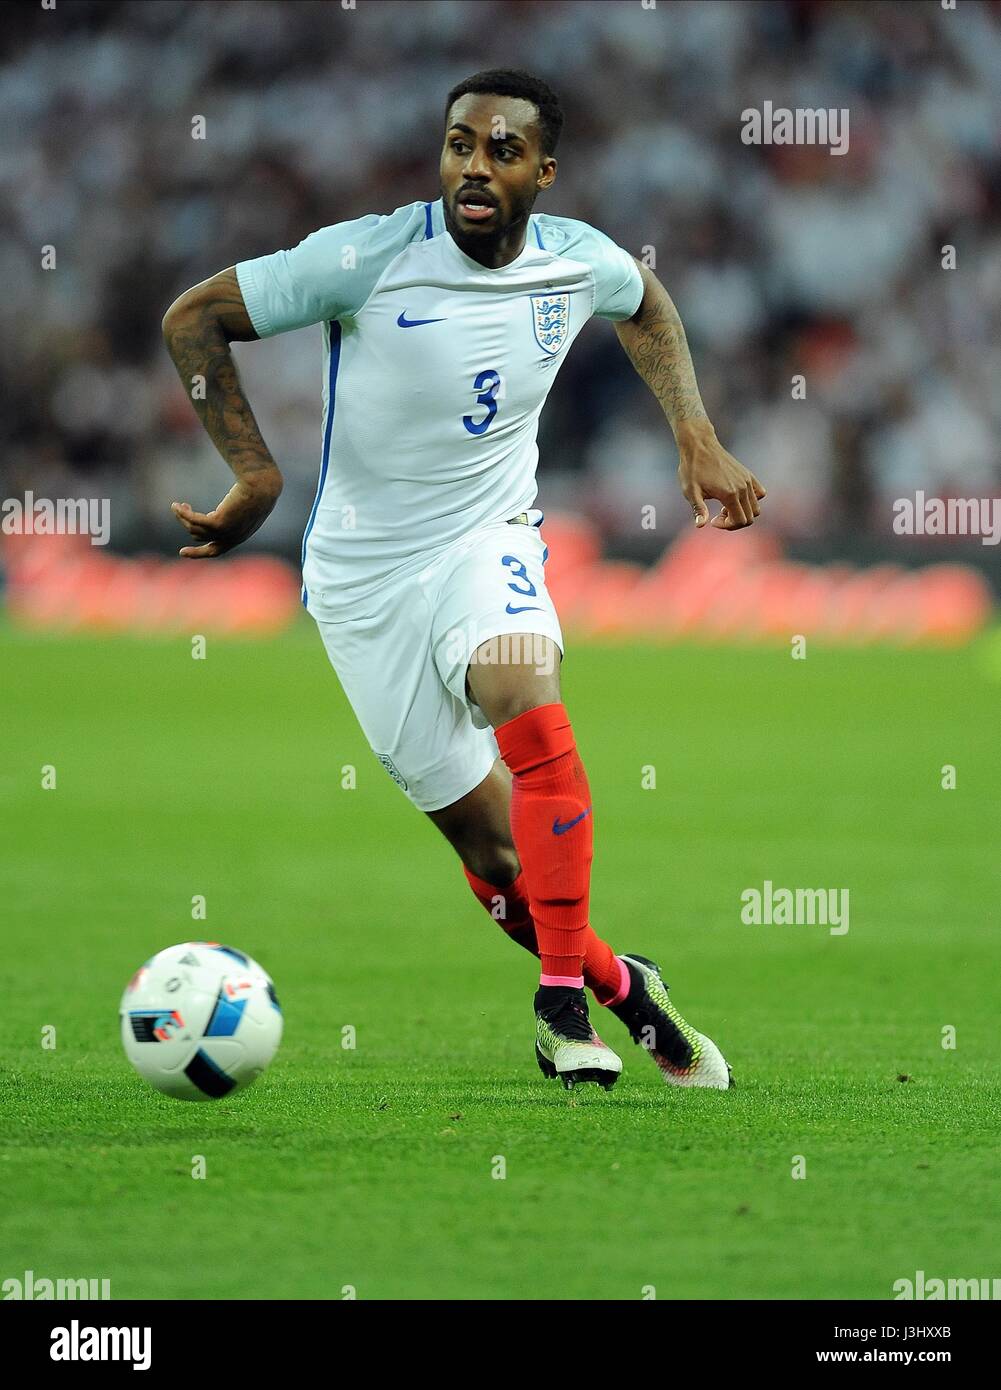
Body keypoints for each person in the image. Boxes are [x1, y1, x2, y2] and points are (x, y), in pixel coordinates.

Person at [162, 68, 765, 1092]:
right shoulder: (364, 256)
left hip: (489, 539)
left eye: (499, 149)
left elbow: (647, 305)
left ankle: (558, 1008)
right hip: (361, 584)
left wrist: (694, 436)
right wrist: (256, 474)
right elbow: (193, 318)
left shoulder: (577, 260)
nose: (473, 166)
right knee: (496, 860)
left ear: (544, 170)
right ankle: (625, 988)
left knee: (524, 698)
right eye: (457, 145)